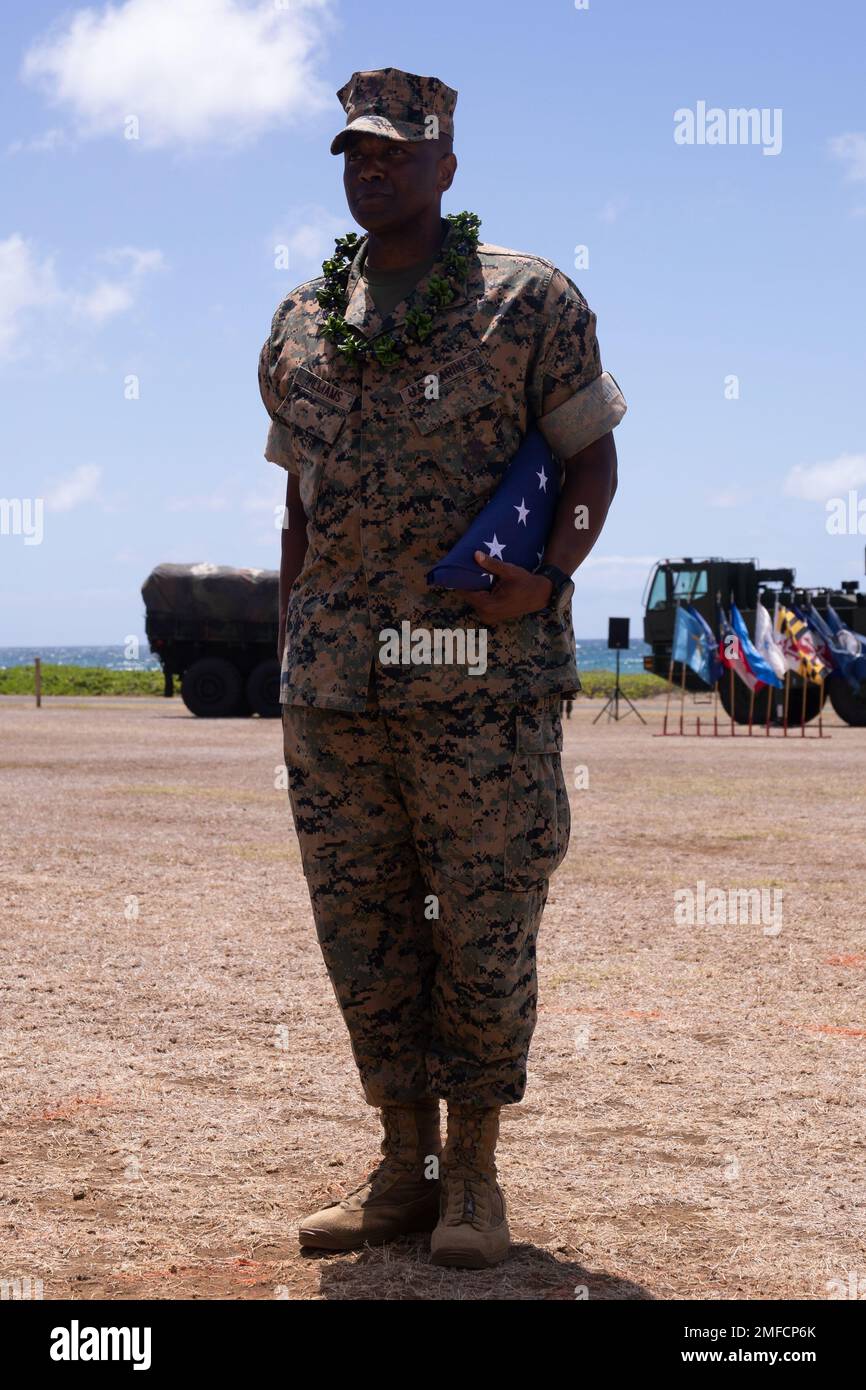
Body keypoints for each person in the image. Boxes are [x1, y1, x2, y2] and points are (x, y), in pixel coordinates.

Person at [258, 67, 626, 1269]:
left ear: (445, 168)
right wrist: (288, 645)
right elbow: (296, 507)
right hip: (335, 692)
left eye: (396, 155)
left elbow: (588, 469)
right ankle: (400, 1168)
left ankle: (471, 1177)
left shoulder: (526, 301)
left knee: (481, 925)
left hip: (481, 686)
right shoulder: (301, 320)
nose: (372, 171)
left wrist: (553, 578)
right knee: (362, 930)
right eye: (354, 155)